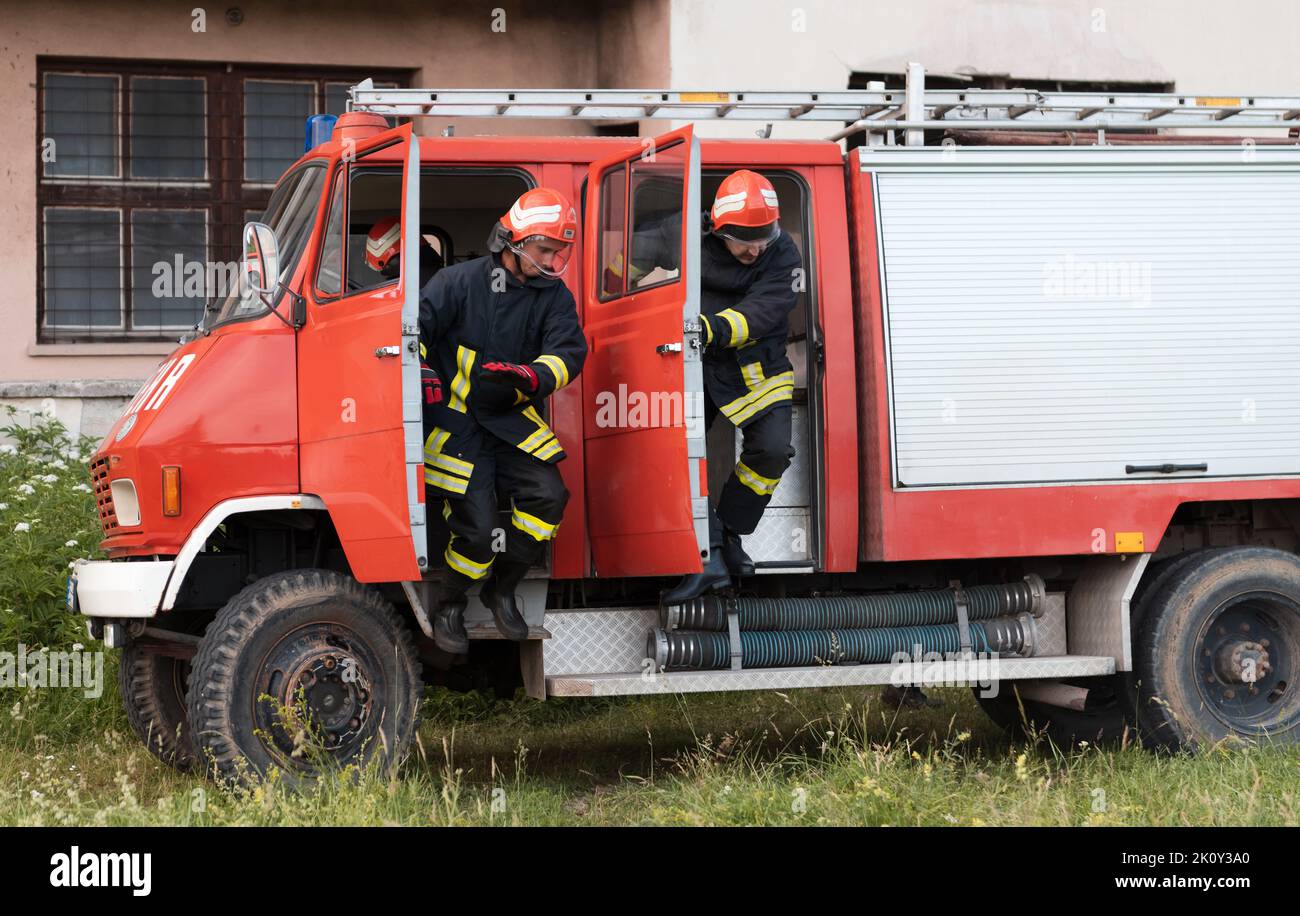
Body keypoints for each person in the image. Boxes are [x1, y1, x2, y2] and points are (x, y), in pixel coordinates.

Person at [609, 169, 802, 603]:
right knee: (677, 455)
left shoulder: (782, 251)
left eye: (761, 238)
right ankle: (708, 558)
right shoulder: (683, 231)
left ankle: (730, 534)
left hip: (756, 366)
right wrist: (618, 298)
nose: (754, 248)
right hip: (694, 364)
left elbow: (764, 311)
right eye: (742, 239)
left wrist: (708, 327)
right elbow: (625, 264)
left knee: (771, 453)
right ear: (716, 228)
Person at [418, 188, 587, 654]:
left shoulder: (554, 296)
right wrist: (425, 369)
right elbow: (412, 333)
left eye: (560, 252)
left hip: (511, 419)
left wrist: (530, 375)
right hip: (456, 425)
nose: (554, 262)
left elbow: (569, 353)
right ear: (512, 242)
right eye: (545, 250)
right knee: (475, 527)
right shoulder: (458, 282)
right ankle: (450, 603)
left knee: (549, 498)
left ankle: (502, 588)